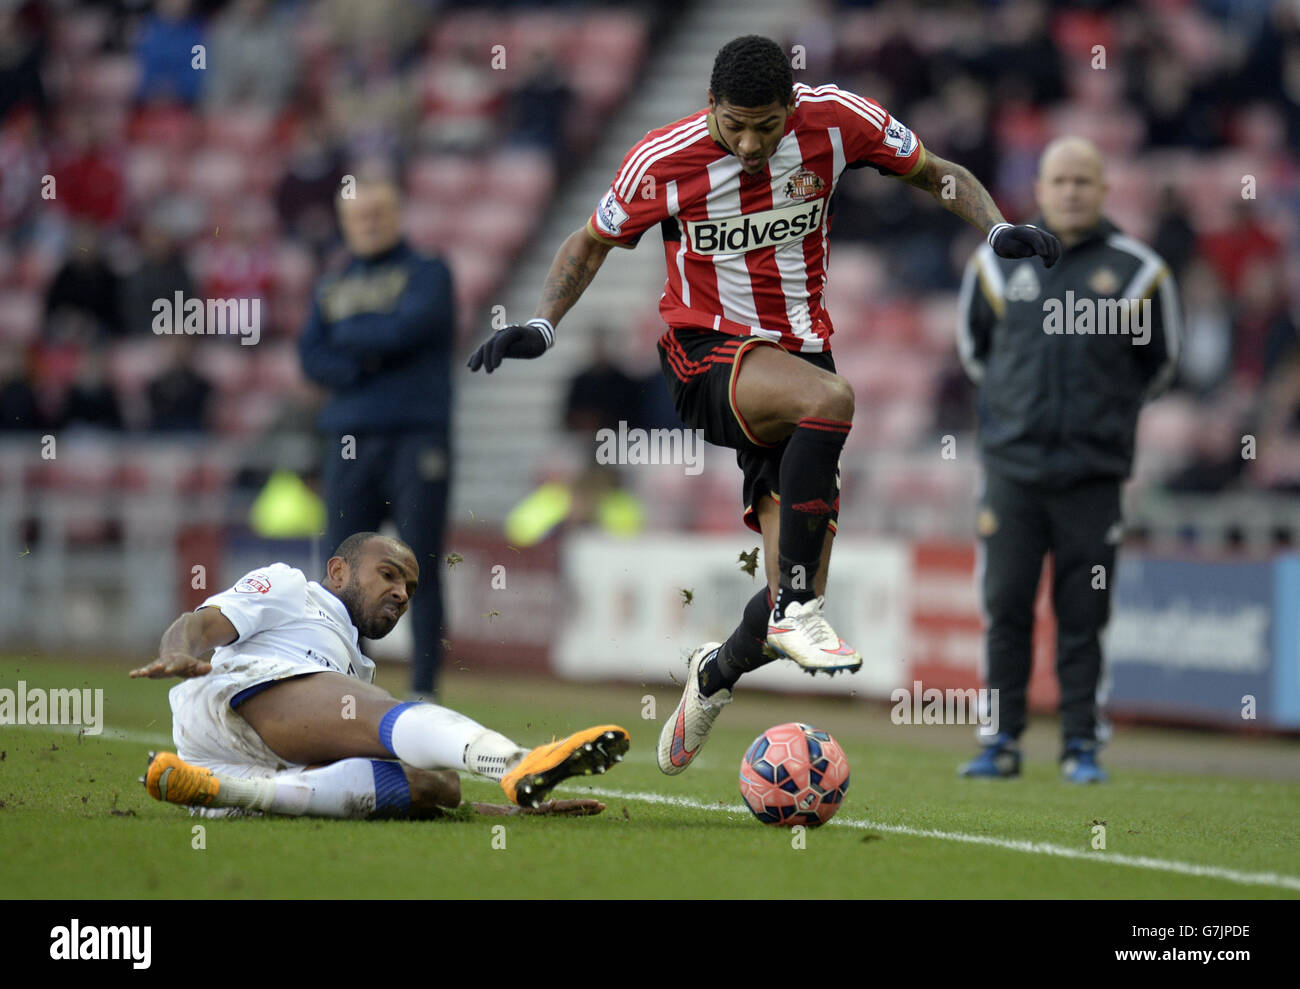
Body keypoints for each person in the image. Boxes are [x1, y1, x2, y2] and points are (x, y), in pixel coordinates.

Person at [467, 35, 1060, 776]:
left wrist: (996, 225)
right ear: (710, 106)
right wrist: (543, 323)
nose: (750, 143)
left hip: (797, 357)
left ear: (791, 107)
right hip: (704, 356)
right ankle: (797, 611)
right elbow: (591, 242)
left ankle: (715, 673)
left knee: (790, 577)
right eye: (733, 125)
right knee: (833, 403)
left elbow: (937, 174)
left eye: (767, 126)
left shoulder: (839, 121)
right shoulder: (662, 159)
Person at [955, 136, 1181, 782]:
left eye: (1085, 180)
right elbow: (975, 354)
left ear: (1105, 189)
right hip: (1011, 473)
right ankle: (1001, 740)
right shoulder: (996, 266)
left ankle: (1081, 744)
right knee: (1006, 607)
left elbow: (1161, 365)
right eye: (1061, 180)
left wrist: (1103, 420)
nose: (1073, 191)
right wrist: (1015, 418)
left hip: (1093, 477)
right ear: (1041, 189)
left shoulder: (1141, 273)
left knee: (1085, 616)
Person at [130, 532, 628, 819]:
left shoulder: (355, 667)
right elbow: (201, 622)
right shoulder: (291, 588)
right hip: (235, 701)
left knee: (438, 783)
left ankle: (224, 790)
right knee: (387, 716)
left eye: (409, 586)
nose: (401, 593)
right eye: (388, 575)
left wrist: (518, 814)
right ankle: (515, 760)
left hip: (246, 763)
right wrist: (176, 650)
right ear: (339, 572)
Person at [298, 179, 454, 698]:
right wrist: (374, 347)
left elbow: (410, 330)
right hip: (348, 440)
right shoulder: (331, 282)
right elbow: (309, 356)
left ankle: (424, 692)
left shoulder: (429, 272)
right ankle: (347, 686)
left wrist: (351, 340)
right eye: (358, 216)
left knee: (418, 563)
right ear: (344, 223)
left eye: (377, 213)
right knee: (343, 570)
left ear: (397, 213)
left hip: (416, 437)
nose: (368, 224)